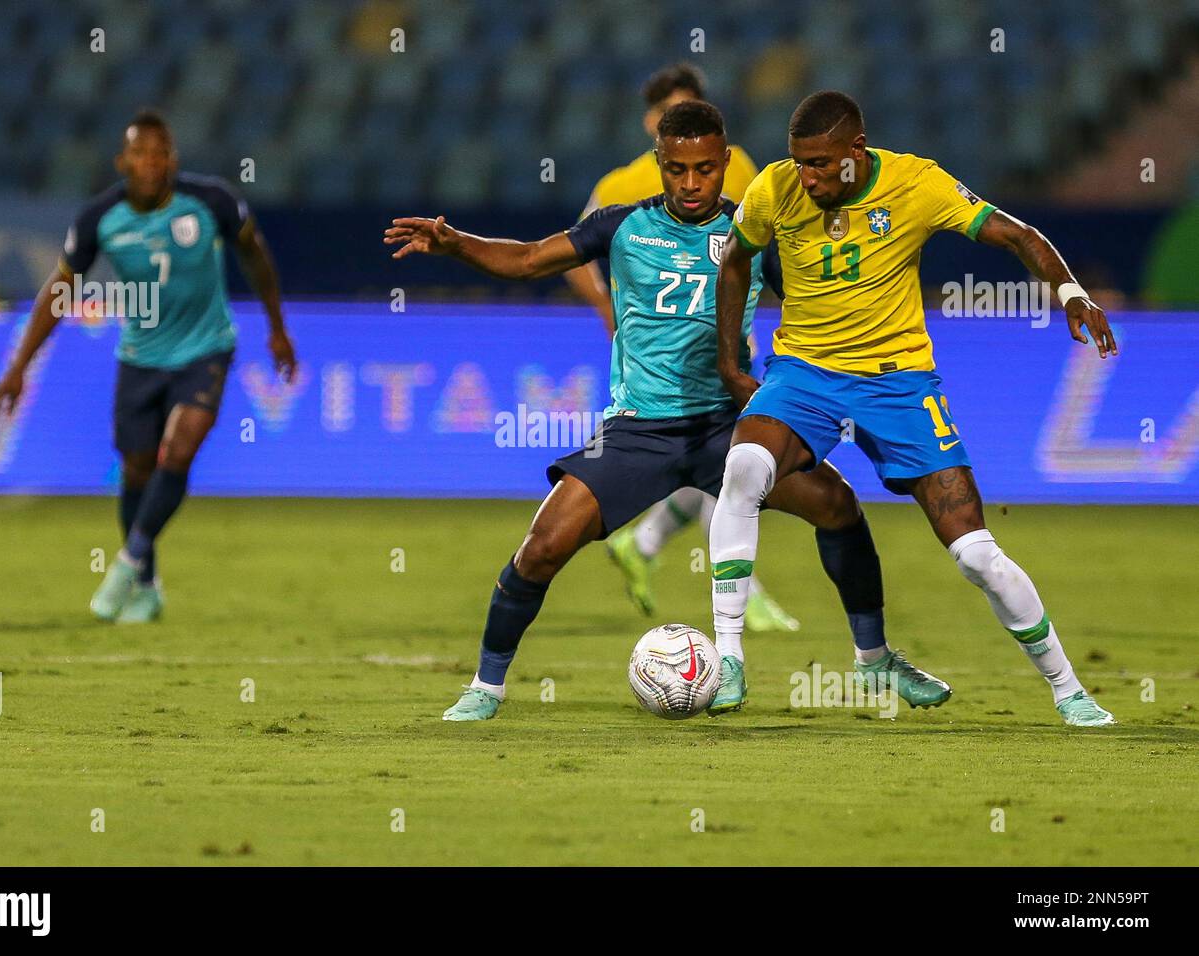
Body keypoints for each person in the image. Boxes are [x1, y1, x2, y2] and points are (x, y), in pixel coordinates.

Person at [385, 101, 903, 721]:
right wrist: (454, 243)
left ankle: (874, 662)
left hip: (728, 427)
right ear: (659, 163)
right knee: (543, 547)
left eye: (707, 170)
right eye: (678, 169)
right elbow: (526, 260)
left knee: (839, 507)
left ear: (725, 163)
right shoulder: (620, 227)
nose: (692, 184)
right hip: (637, 431)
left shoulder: (753, 232)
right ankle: (485, 687)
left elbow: (820, 297)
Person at [711, 90, 1116, 726]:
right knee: (742, 469)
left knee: (976, 553)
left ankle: (1068, 690)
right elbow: (735, 262)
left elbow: (1018, 235)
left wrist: (1068, 292)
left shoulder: (915, 183)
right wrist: (730, 358)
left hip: (899, 384)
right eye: (798, 162)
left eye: (820, 163)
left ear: (856, 151)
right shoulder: (774, 189)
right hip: (804, 376)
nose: (807, 176)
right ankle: (729, 658)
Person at [0, 110, 297, 623]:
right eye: (141, 154)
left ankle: (126, 565)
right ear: (122, 161)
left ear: (173, 160)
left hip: (206, 348)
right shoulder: (99, 219)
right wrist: (19, 366)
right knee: (136, 468)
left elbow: (255, 254)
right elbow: (59, 291)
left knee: (178, 451)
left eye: (161, 154)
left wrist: (277, 328)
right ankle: (148, 585)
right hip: (141, 357)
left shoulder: (213, 201)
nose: (152, 163)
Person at [564, 63, 797, 631]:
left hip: (726, 350)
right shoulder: (620, 186)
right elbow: (574, 252)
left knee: (724, 461)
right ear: (651, 123)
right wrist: (608, 313)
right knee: (719, 461)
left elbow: (759, 237)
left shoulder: (739, 164)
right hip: (656, 356)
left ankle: (645, 546)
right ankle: (736, 588)